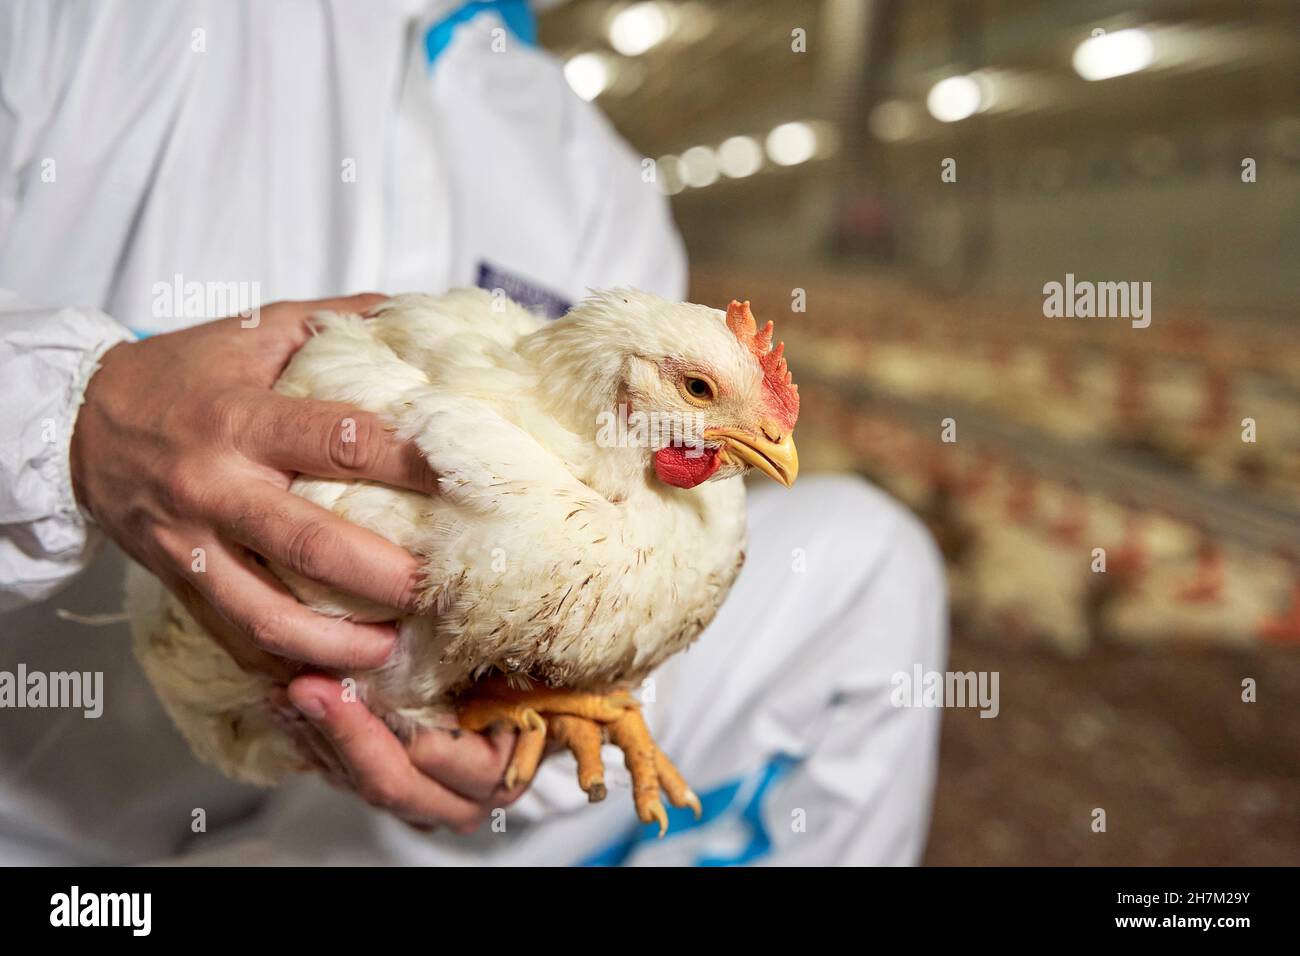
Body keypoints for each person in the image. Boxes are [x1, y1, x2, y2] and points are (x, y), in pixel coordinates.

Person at [0, 0, 947, 865]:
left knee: (871, 564)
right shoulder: (82, 24)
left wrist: (522, 735)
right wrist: (78, 417)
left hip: (365, 838)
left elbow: (639, 553)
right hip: (47, 824)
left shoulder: (590, 173)